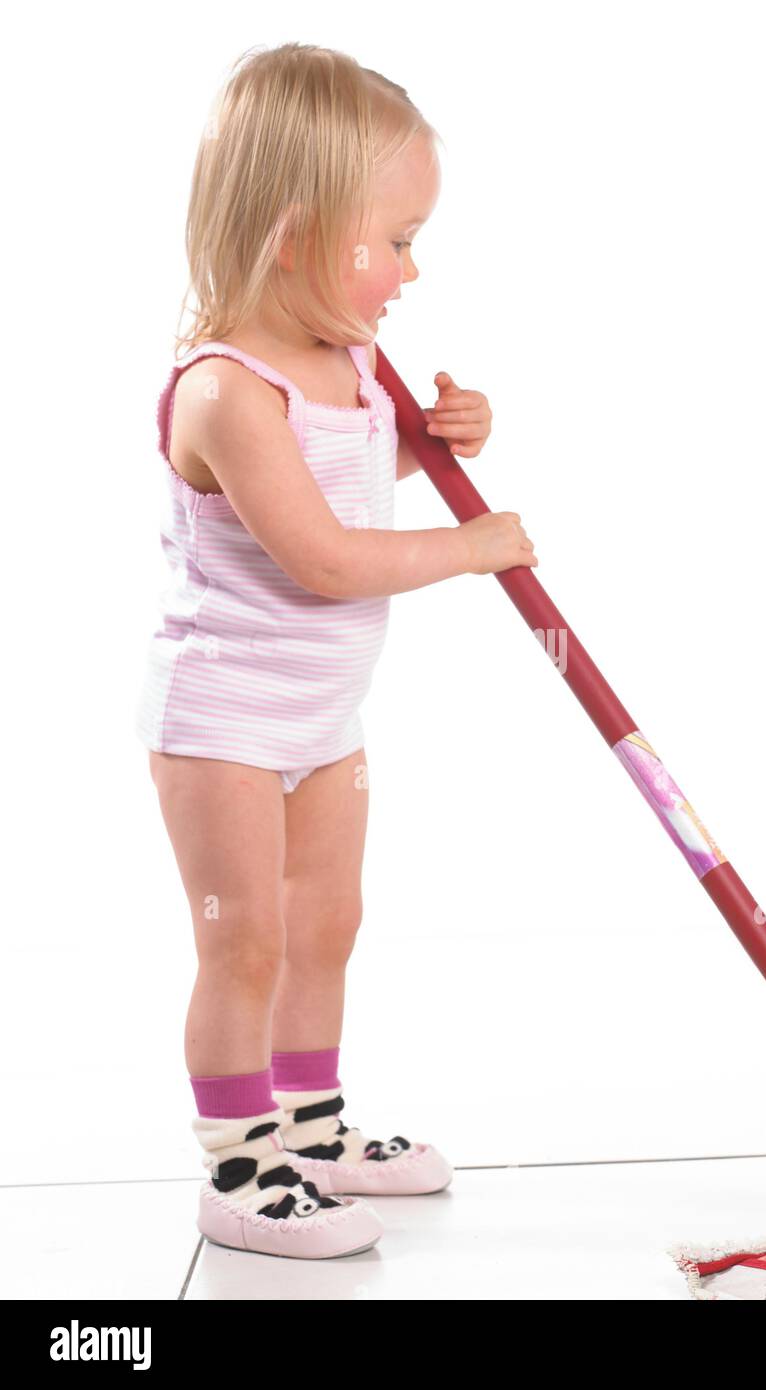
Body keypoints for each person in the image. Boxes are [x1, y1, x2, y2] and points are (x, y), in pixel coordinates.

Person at [135, 41, 538, 1259]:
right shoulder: (224, 392)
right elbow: (321, 556)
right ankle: (238, 1169)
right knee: (245, 940)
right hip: (224, 725)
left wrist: (434, 440)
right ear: (299, 234)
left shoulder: (349, 364)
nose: (412, 271)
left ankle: (310, 1129)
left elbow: (348, 478)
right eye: (397, 240)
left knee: (326, 926)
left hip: (323, 719)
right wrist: (468, 549)